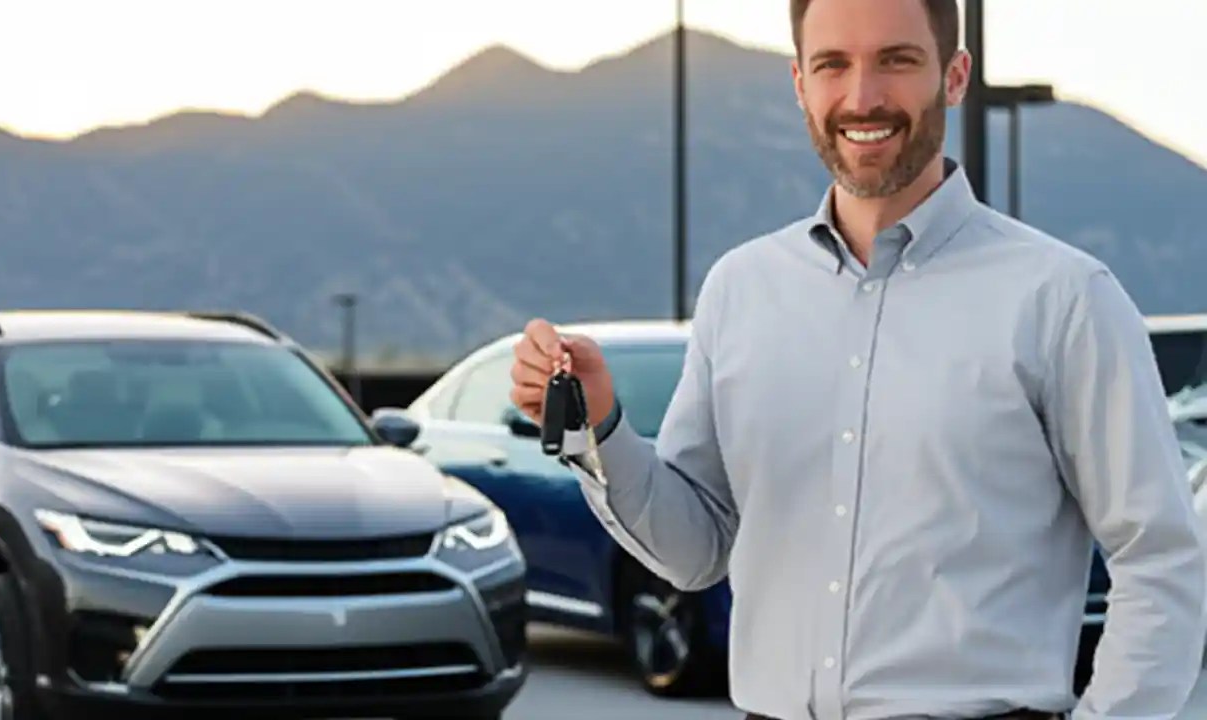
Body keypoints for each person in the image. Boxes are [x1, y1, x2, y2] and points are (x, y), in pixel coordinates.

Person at [510, 0, 1207, 717]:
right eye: (833, 64)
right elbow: (696, 550)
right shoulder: (740, 291)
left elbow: (1162, 560)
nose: (862, 96)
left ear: (955, 75)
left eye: (897, 60)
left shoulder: (1063, 299)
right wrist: (601, 429)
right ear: (800, 84)